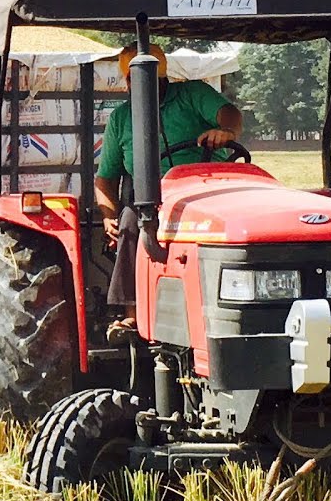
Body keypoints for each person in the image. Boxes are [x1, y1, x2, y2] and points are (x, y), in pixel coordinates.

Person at [94, 43, 244, 334]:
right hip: (153, 200)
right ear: (127, 81)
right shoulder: (121, 118)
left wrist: (225, 132)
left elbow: (230, 114)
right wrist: (106, 214)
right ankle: (133, 312)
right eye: (134, 80)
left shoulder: (192, 94)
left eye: (152, 79)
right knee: (128, 223)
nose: (140, 86)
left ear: (163, 77)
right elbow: (105, 179)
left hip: (205, 187)